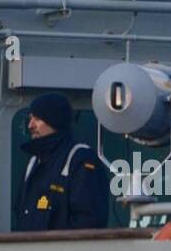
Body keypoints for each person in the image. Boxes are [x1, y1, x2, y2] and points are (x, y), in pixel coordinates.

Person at [14, 93, 110, 231]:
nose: (30, 125)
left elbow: (89, 221)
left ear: (55, 120)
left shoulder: (80, 158)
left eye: (38, 118)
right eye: (30, 118)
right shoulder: (34, 162)